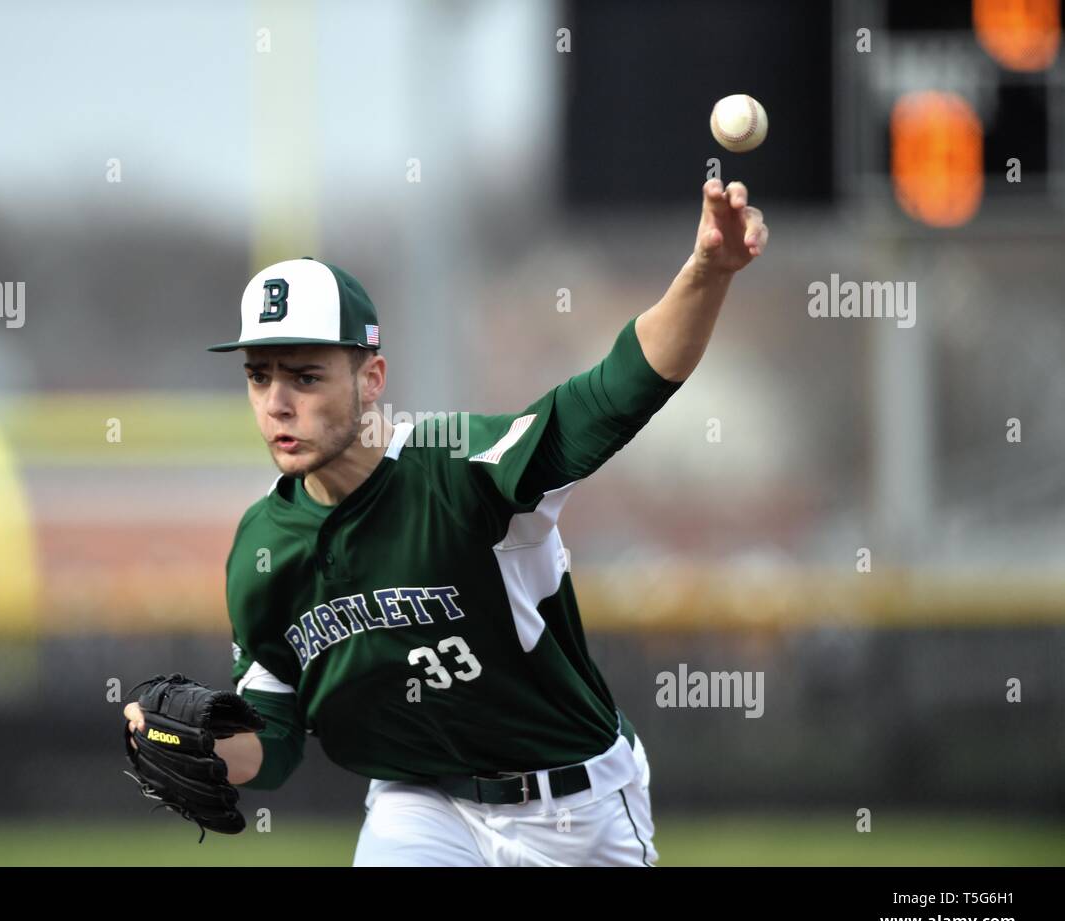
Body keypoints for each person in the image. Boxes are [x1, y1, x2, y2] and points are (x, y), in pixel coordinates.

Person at [125, 179, 767, 865]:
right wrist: (191, 743)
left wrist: (707, 272)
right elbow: (277, 739)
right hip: (419, 807)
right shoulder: (263, 547)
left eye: (305, 376)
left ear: (371, 379)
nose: (277, 403)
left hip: (573, 809)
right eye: (259, 376)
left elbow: (616, 391)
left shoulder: (466, 467)